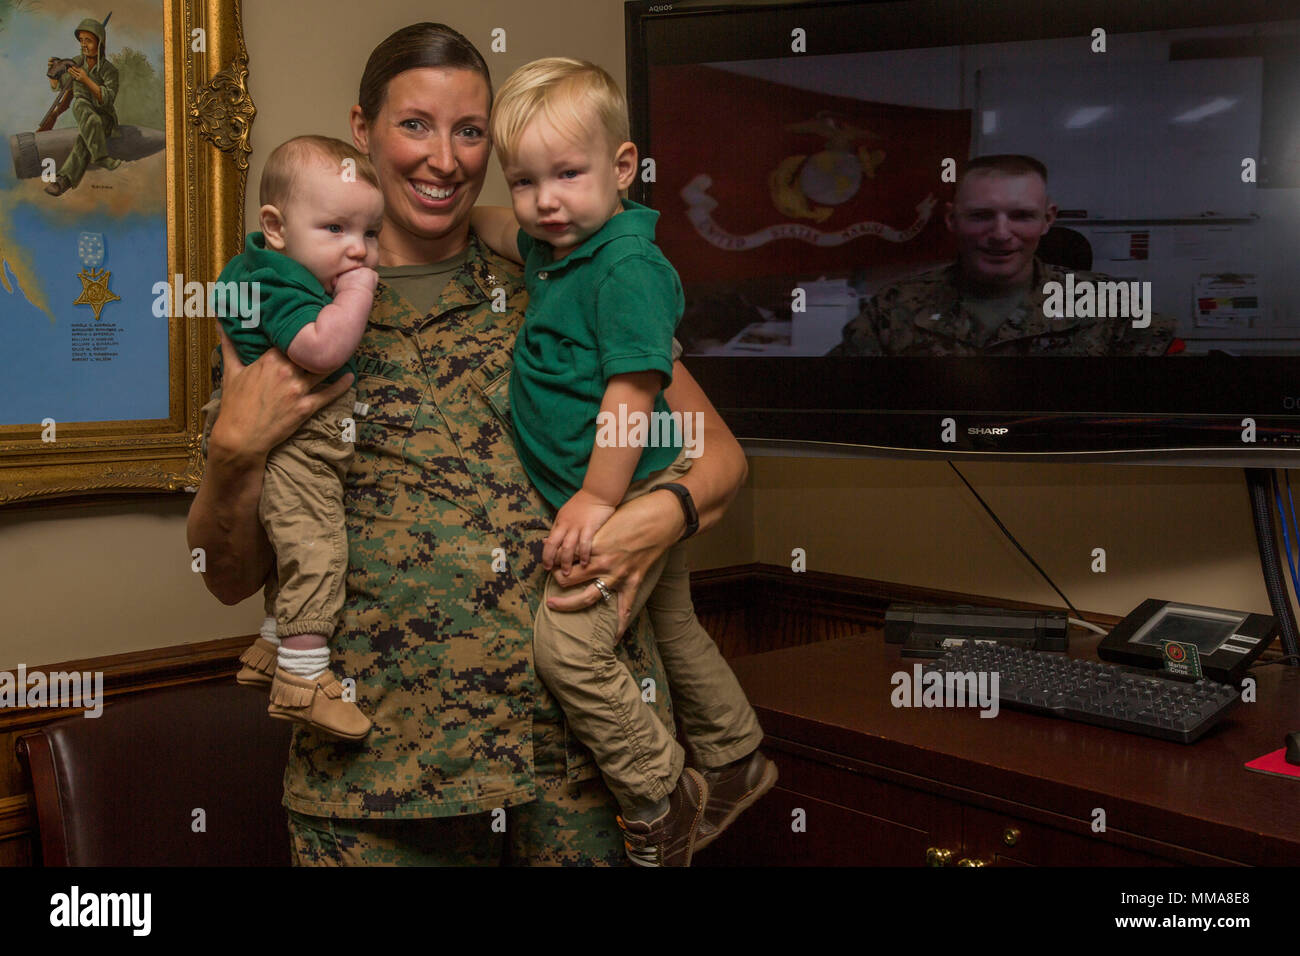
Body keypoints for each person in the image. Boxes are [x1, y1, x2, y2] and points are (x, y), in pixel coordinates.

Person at [187, 22, 756, 866]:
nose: (444, 160)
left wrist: (659, 516)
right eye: (414, 124)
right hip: (381, 785)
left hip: (584, 779)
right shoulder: (291, 312)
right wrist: (235, 452)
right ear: (361, 130)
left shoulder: (562, 275)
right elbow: (227, 581)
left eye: (470, 131)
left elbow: (718, 458)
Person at [471, 58, 773, 866]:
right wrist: (471, 212)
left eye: (568, 175)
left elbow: (632, 396)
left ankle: (659, 793)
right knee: (672, 623)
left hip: (634, 486)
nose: (546, 202)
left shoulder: (628, 269)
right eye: (526, 181)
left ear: (624, 167)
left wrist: (597, 502)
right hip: (640, 487)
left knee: (567, 646)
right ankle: (738, 754)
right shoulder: (554, 243)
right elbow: (505, 227)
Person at [206, 135, 383, 741]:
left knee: (293, 543)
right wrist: (357, 292)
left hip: (288, 439)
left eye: (369, 232)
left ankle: (269, 647)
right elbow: (320, 348)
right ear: (275, 228)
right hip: (292, 440)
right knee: (318, 548)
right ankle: (303, 681)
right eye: (335, 228)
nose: (358, 249)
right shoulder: (283, 284)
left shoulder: (258, 268)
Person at [829, 155, 1176, 356]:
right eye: (981, 216)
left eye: (1021, 216)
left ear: (1047, 220)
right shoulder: (893, 307)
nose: (999, 234)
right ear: (952, 220)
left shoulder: (1113, 306)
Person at [45, 17, 120, 198]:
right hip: (83, 108)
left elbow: (108, 99)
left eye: (89, 41)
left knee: (86, 135)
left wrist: (86, 79)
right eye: (81, 40)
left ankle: (63, 180)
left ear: (99, 43)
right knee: (82, 107)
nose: (84, 45)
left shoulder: (110, 70)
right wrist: (52, 73)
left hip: (105, 117)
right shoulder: (75, 62)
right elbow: (57, 87)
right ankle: (101, 157)